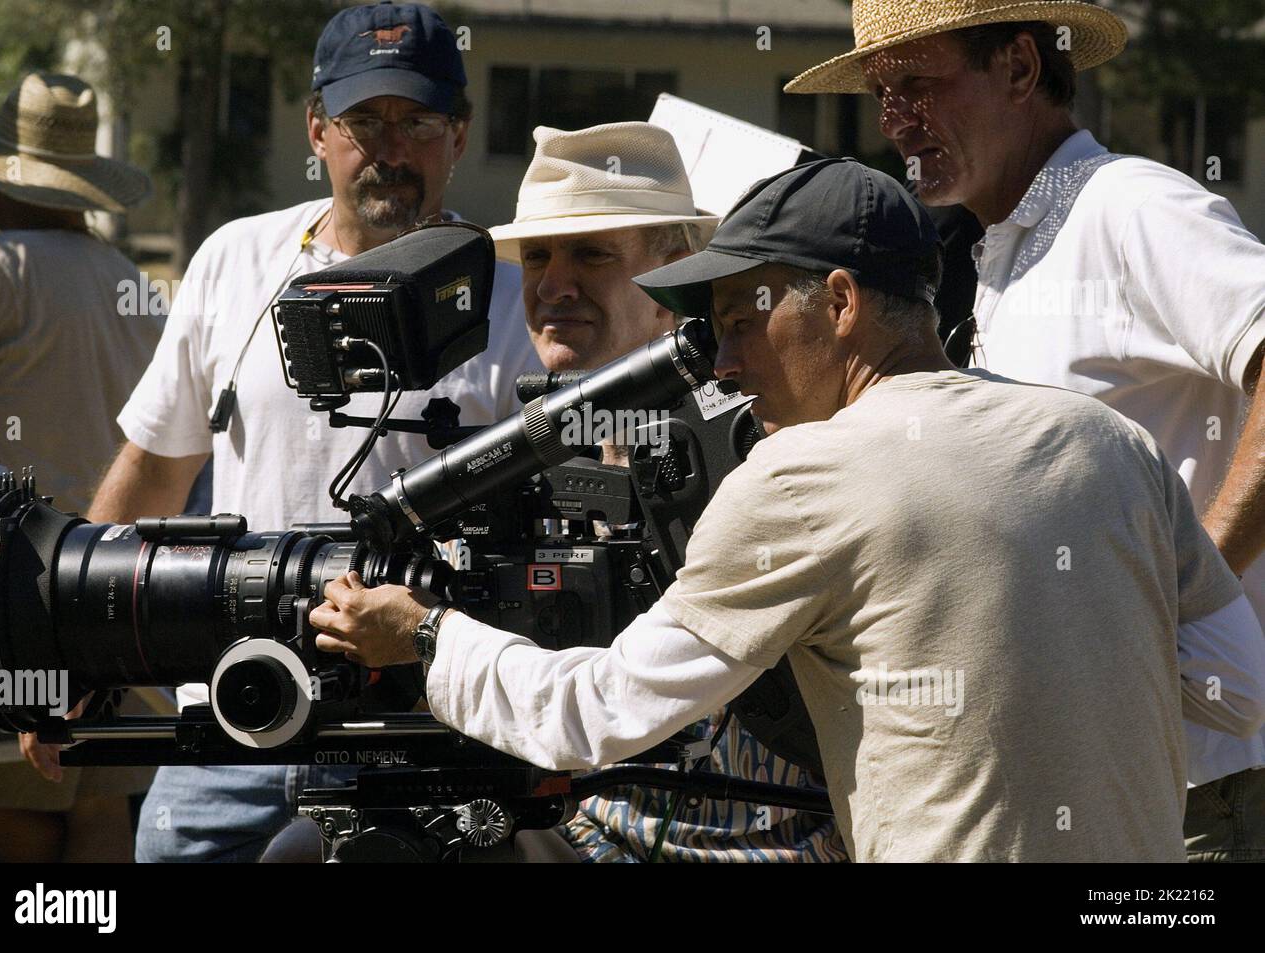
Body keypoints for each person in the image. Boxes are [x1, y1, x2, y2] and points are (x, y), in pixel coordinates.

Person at [310, 158, 1265, 861]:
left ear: (840, 301)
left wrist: (427, 636)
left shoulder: (803, 472)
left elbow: (596, 716)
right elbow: (1238, 685)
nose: (722, 363)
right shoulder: (1111, 443)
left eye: (737, 321)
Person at [52, 1, 540, 862]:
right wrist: (72, 650)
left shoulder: (510, 308)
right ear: (317, 128)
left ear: (459, 135)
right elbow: (155, 468)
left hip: (419, 726)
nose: (390, 147)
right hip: (234, 704)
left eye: (417, 121)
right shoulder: (233, 261)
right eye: (363, 121)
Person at [784, 0, 1265, 861]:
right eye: (883, 92)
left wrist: (1184, 597)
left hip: (1198, 792)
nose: (896, 119)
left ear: (1018, 68)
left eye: (919, 85)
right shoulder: (994, 252)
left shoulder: (1130, 206)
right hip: (1108, 787)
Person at [485, 120, 845, 861]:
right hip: (588, 837)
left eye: (591, 254)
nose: (554, 284)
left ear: (676, 273)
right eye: (537, 257)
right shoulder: (518, 450)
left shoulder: (766, 437)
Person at [0, 71, 160, 861]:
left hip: (3, 606)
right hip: (123, 603)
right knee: (101, 810)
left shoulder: (0, 270)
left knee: (1, 817)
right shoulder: (129, 283)